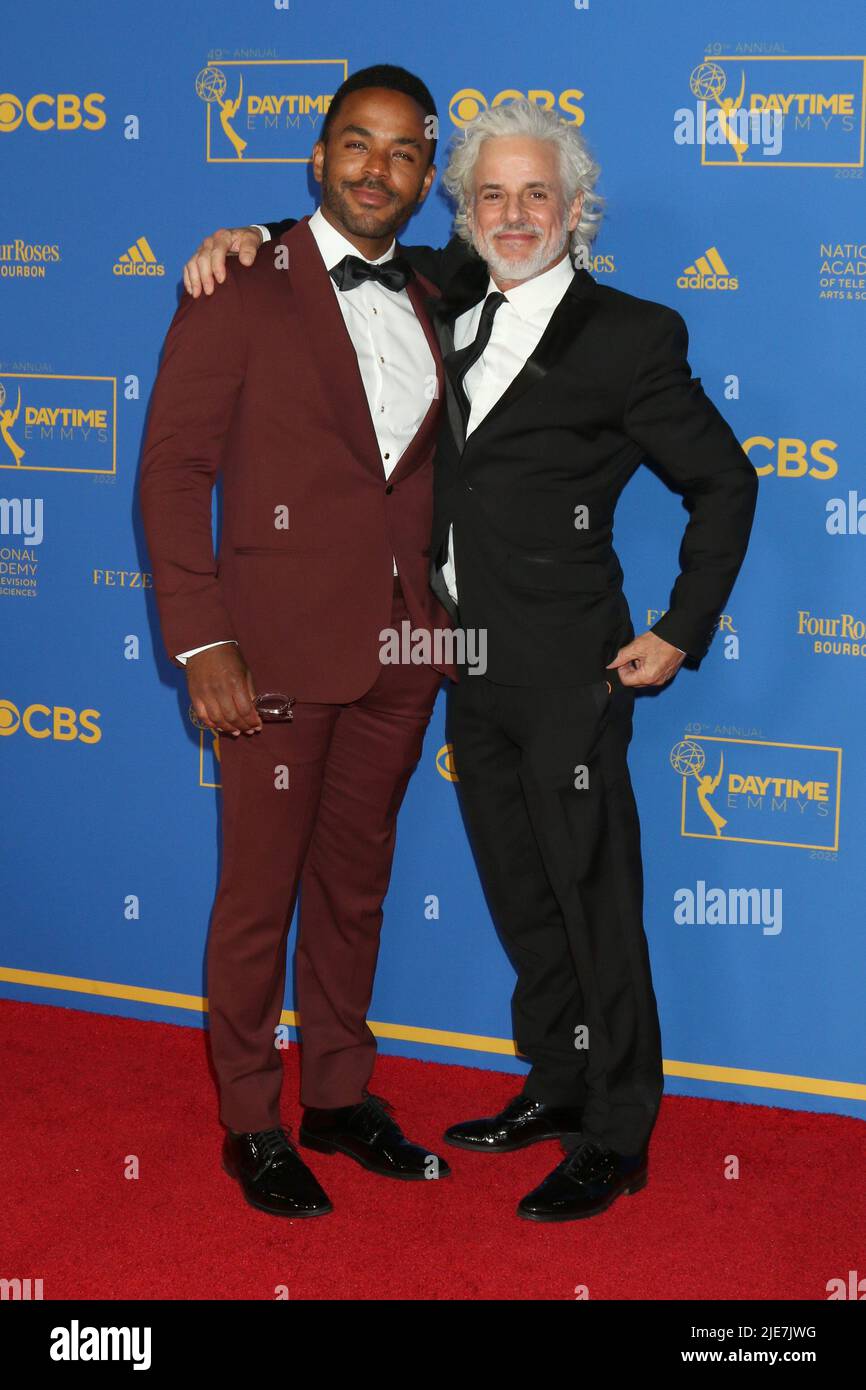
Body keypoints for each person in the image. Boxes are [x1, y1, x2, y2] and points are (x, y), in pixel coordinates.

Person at [182, 98, 759, 1222]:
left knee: (595, 901)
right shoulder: (438, 293)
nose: (511, 212)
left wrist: (679, 629)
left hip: (573, 671)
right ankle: (554, 1085)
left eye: (534, 193)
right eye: (489, 193)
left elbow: (724, 483)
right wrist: (245, 236)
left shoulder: (630, 335)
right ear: (465, 207)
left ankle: (618, 1129)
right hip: (458, 664)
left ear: (574, 209)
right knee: (523, 897)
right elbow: (338, 234)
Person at [139, 65, 458, 1221]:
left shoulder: (436, 291)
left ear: (427, 176)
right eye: (355, 146)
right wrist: (201, 640)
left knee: (353, 889)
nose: (377, 169)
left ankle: (335, 1095)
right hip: (265, 656)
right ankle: (248, 1118)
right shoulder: (237, 285)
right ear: (317, 158)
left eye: (403, 153)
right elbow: (173, 473)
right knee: (257, 895)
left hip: (403, 652)